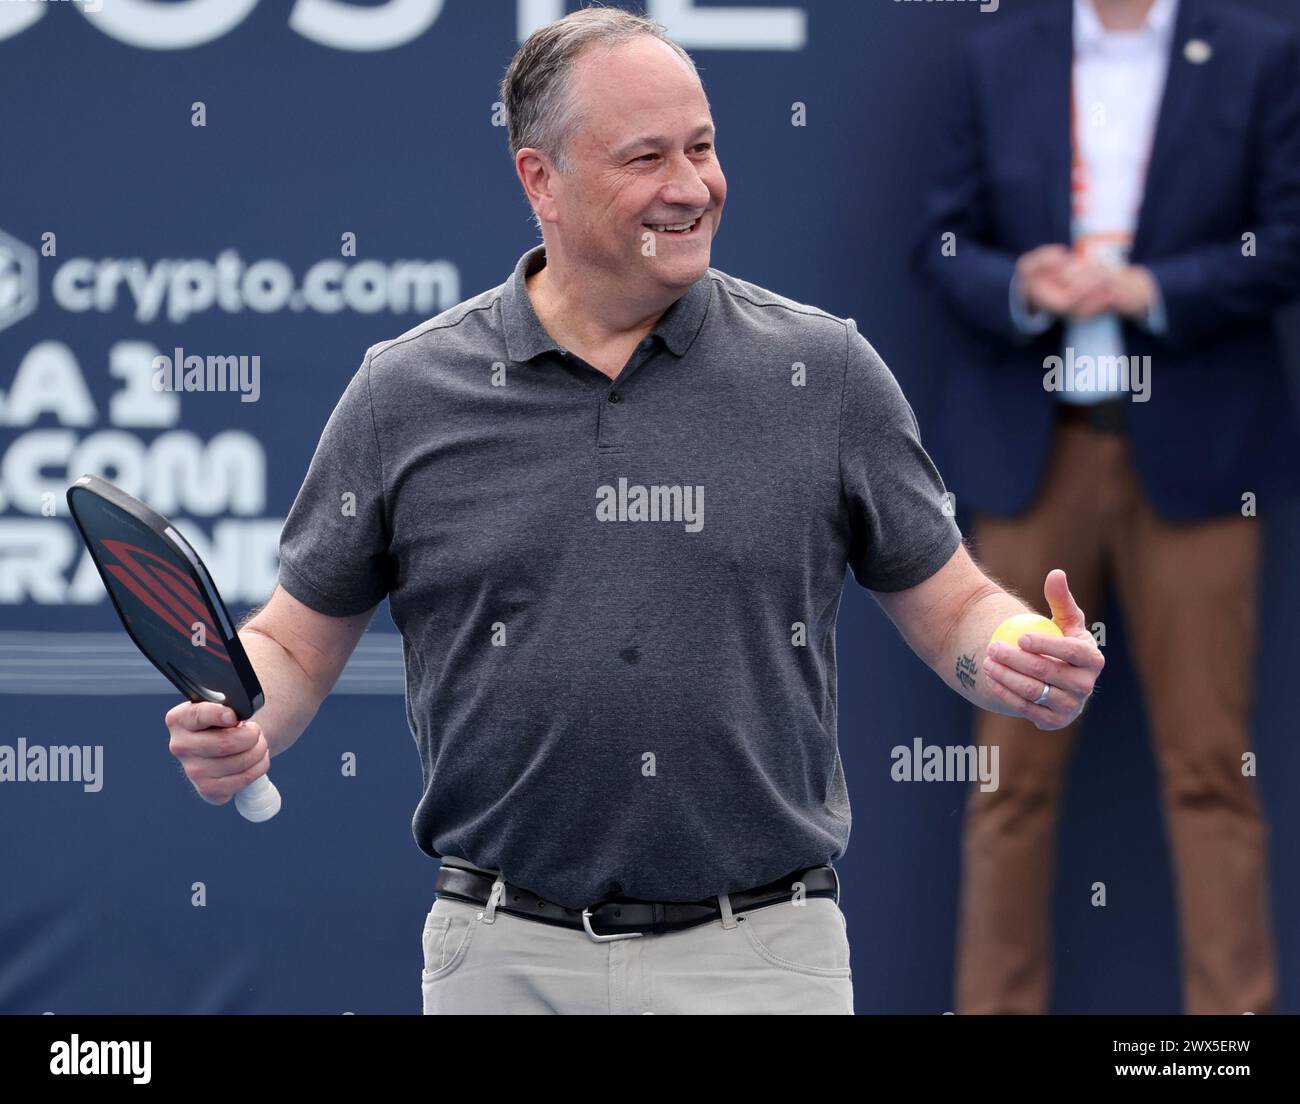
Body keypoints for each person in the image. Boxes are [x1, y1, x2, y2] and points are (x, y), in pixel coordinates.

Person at [165, 6, 1103, 1015]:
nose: (691, 186)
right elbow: (296, 648)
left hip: (759, 958)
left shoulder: (822, 372)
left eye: (701, 147)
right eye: (645, 157)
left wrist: (1010, 649)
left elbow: (955, 605)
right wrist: (240, 716)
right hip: (497, 961)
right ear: (540, 181)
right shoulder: (403, 394)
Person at [914, 0, 1300, 1014]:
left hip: (1202, 462)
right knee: (1011, 781)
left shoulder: (1261, 56)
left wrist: (1150, 289)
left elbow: (1285, 241)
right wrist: (1023, 286)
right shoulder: (998, 58)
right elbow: (942, 245)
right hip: (1035, 460)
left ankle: (1230, 1028)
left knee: (1211, 769)